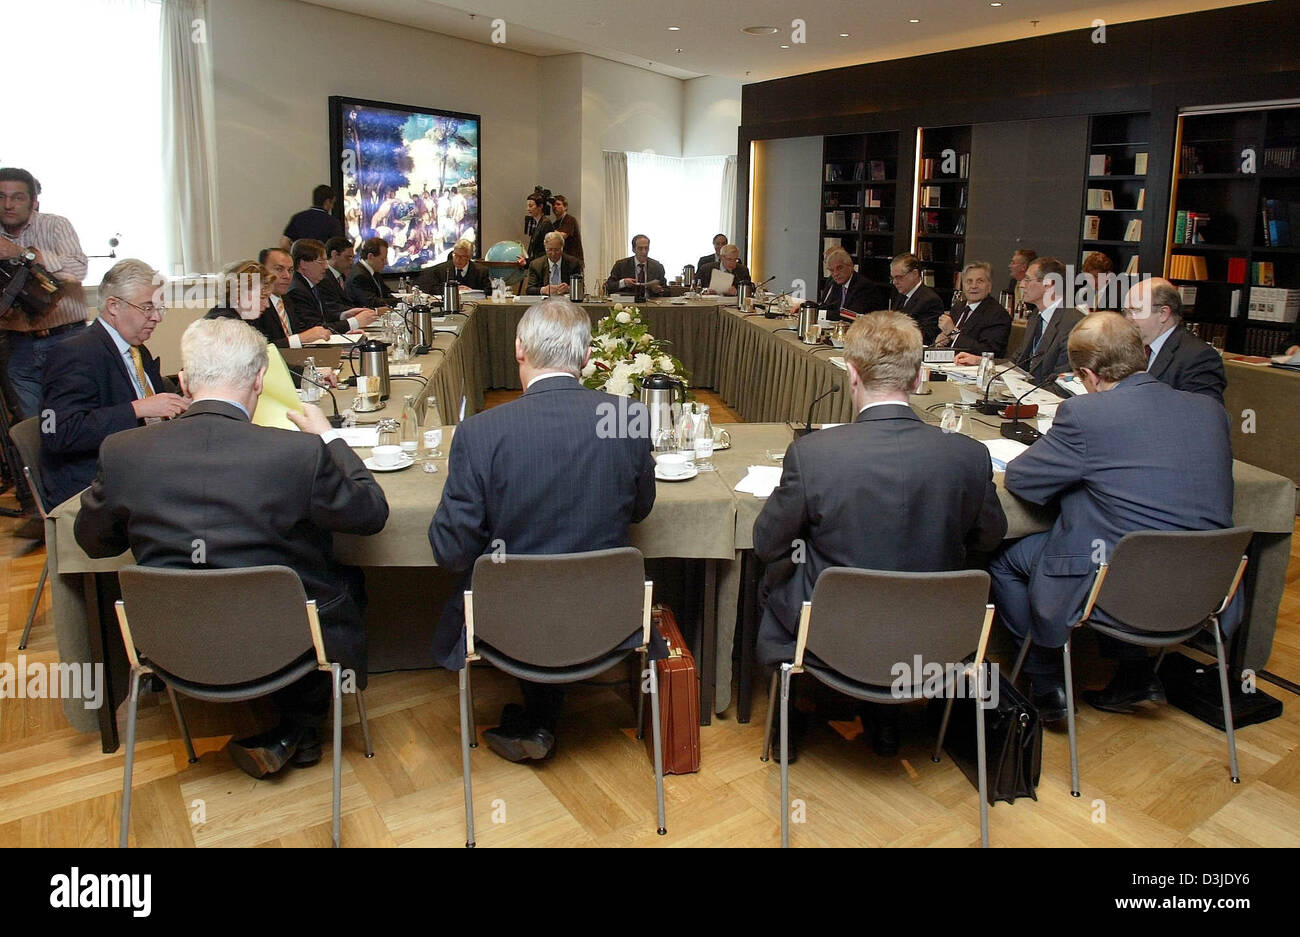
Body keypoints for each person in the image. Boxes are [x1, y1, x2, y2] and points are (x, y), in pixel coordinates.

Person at [75, 317, 388, 778]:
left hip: (170, 641)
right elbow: (370, 515)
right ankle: (300, 724)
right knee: (340, 579)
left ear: (183, 380)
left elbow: (93, 542)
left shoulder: (123, 451)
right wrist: (330, 438)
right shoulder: (297, 453)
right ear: (260, 378)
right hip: (287, 641)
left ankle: (292, 733)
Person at [753, 310, 1007, 755]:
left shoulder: (813, 455)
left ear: (851, 374)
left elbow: (767, 543)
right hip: (934, 632)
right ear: (918, 377)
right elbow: (989, 538)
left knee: (773, 579)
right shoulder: (968, 456)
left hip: (833, 630)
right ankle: (885, 719)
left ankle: (788, 718)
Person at [429, 298, 656, 763]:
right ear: (588, 356)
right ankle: (544, 711)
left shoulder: (480, 433)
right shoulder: (626, 417)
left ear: (518, 349)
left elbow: (450, 552)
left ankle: (538, 712)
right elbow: (641, 509)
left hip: (508, 619)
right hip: (606, 616)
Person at [990, 312, 1233, 720]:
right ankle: (1135, 672)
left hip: (1114, 581)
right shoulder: (1210, 411)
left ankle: (1046, 680)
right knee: (1138, 541)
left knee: (1005, 560)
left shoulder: (1086, 415)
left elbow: (1023, 481)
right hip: (1203, 587)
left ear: (1087, 374)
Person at [39, 260, 189, 507]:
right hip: (94, 488)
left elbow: (153, 406)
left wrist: (182, 404)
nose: (158, 317)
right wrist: (137, 409)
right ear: (113, 306)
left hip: (138, 468)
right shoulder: (75, 353)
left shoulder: (139, 350)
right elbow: (58, 432)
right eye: (147, 308)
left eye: (161, 308)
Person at [0, 168, 90, 420]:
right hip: (18, 346)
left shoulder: (54, 225)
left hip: (67, 339)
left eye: (17, 197)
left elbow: (79, 268)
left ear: (33, 201)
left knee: (74, 419)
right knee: (34, 428)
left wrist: (20, 253)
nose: (8, 205)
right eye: (1, 196)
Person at [960, 256, 1083, 380]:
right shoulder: (1036, 316)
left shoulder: (1073, 324)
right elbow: (1016, 363)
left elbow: (1063, 382)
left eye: (1028, 280)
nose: (1022, 285)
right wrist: (980, 361)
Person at [1122, 276, 1226, 405]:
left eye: (1136, 311)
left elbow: (1206, 412)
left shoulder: (1198, 357)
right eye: (1126, 311)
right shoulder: (1130, 347)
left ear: (1163, 313)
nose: (1128, 319)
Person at [286, 239, 377, 333]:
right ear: (303, 264)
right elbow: (314, 329)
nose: (326, 266)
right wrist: (354, 322)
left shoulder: (312, 284)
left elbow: (322, 316)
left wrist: (343, 315)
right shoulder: (297, 291)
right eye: (321, 261)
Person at [258, 247, 331, 348]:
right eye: (279, 269)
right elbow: (260, 349)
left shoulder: (287, 300)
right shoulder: (256, 306)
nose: (287, 276)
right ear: (262, 271)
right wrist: (300, 339)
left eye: (290, 270)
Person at [934, 262, 1012, 355]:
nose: (973, 286)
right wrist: (942, 338)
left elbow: (989, 352)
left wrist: (953, 333)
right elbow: (950, 338)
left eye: (980, 281)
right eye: (969, 281)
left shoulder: (998, 314)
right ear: (963, 286)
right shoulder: (958, 307)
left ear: (989, 286)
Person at [818, 247, 887, 321]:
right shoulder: (836, 284)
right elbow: (830, 307)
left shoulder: (863, 286)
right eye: (832, 270)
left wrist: (821, 314)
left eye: (839, 268)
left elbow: (851, 315)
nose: (835, 274)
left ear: (851, 266)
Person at [887, 253, 943, 344]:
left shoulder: (930, 300)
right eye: (892, 278)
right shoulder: (901, 295)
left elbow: (926, 336)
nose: (894, 282)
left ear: (915, 274)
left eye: (899, 277)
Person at [279, 184, 344, 250]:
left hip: (300, 259)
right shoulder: (333, 222)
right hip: (322, 258)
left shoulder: (298, 218)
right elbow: (337, 249)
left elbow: (284, 243)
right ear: (327, 202)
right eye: (332, 203)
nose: (332, 207)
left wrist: (297, 255)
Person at [417, 238, 492, 294]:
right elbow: (429, 287)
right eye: (455, 255)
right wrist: (453, 289)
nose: (458, 260)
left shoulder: (481, 271)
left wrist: (471, 291)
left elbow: (489, 291)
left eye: (462, 257)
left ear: (469, 257)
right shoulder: (441, 269)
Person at [346, 237, 392, 308]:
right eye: (382, 259)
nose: (385, 263)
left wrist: (404, 297)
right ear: (370, 256)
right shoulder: (358, 276)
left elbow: (387, 293)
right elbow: (372, 302)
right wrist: (401, 300)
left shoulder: (374, 271)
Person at [317, 236, 358, 313]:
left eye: (353, 258)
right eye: (348, 257)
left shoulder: (341, 277)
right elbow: (333, 308)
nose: (352, 262)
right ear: (334, 254)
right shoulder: (323, 277)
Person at [516, 193, 554, 267]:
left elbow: (545, 250)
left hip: (542, 265)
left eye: (531, 206)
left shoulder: (546, 224)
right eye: (527, 206)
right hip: (537, 263)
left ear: (540, 206)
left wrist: (528, 261)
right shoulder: (538, 223)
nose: (528, 209)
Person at [550, 195, 584, 268]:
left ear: (565, 207)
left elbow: (563, 236)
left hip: (574, 261)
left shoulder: (569, 219)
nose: (555, 207)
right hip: (564, 261)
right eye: (553, 205)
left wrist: (547, 229)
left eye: (558, 204)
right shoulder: (555, 224)